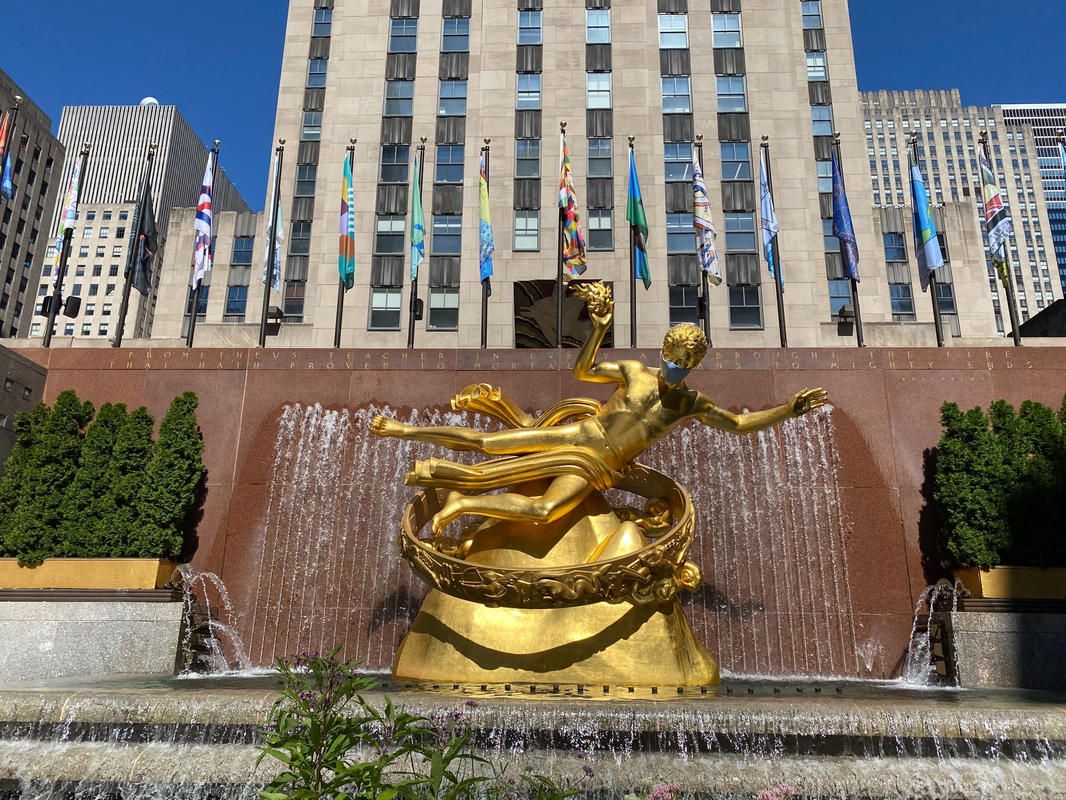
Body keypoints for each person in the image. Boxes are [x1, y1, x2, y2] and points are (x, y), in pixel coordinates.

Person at [371, 282, 826, 533]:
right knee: (488, 443)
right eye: (672, 355)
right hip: (579, 435)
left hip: (600, 467)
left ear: (694, 365)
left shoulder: (691, 403)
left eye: (685, 362)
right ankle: (403, 429)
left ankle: (464, 503)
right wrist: (598, 327)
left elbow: (741, 424)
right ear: (664, 348)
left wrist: (789, 409)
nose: (676, 365)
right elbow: (584, 371)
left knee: (545, 511)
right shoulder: (633, 371)